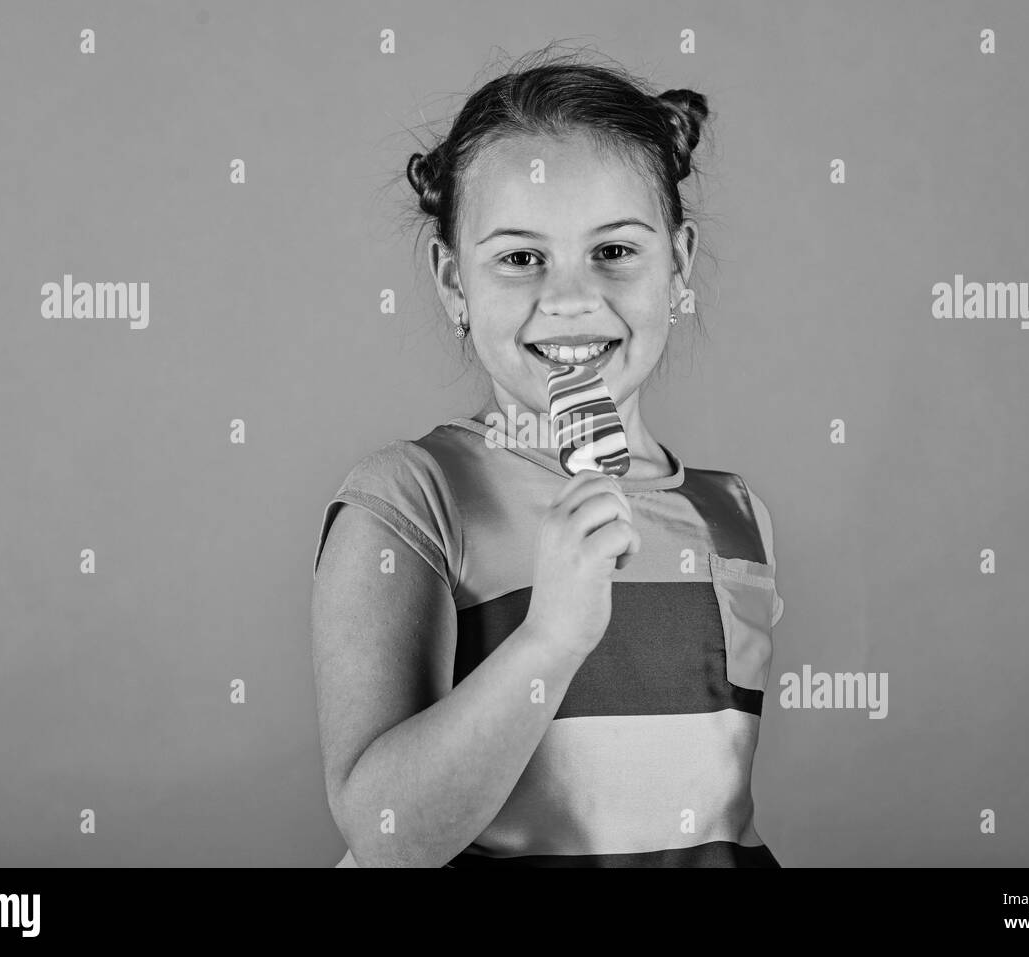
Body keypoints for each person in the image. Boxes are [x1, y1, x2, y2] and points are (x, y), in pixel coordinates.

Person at [311, 48, 785, 867]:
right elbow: (385, 834)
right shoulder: (412, 500)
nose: (569, 299)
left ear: (679, 266)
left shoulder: (734, 515)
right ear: (455, 284)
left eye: (614, 251)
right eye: (521, 257)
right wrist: (552, 638)